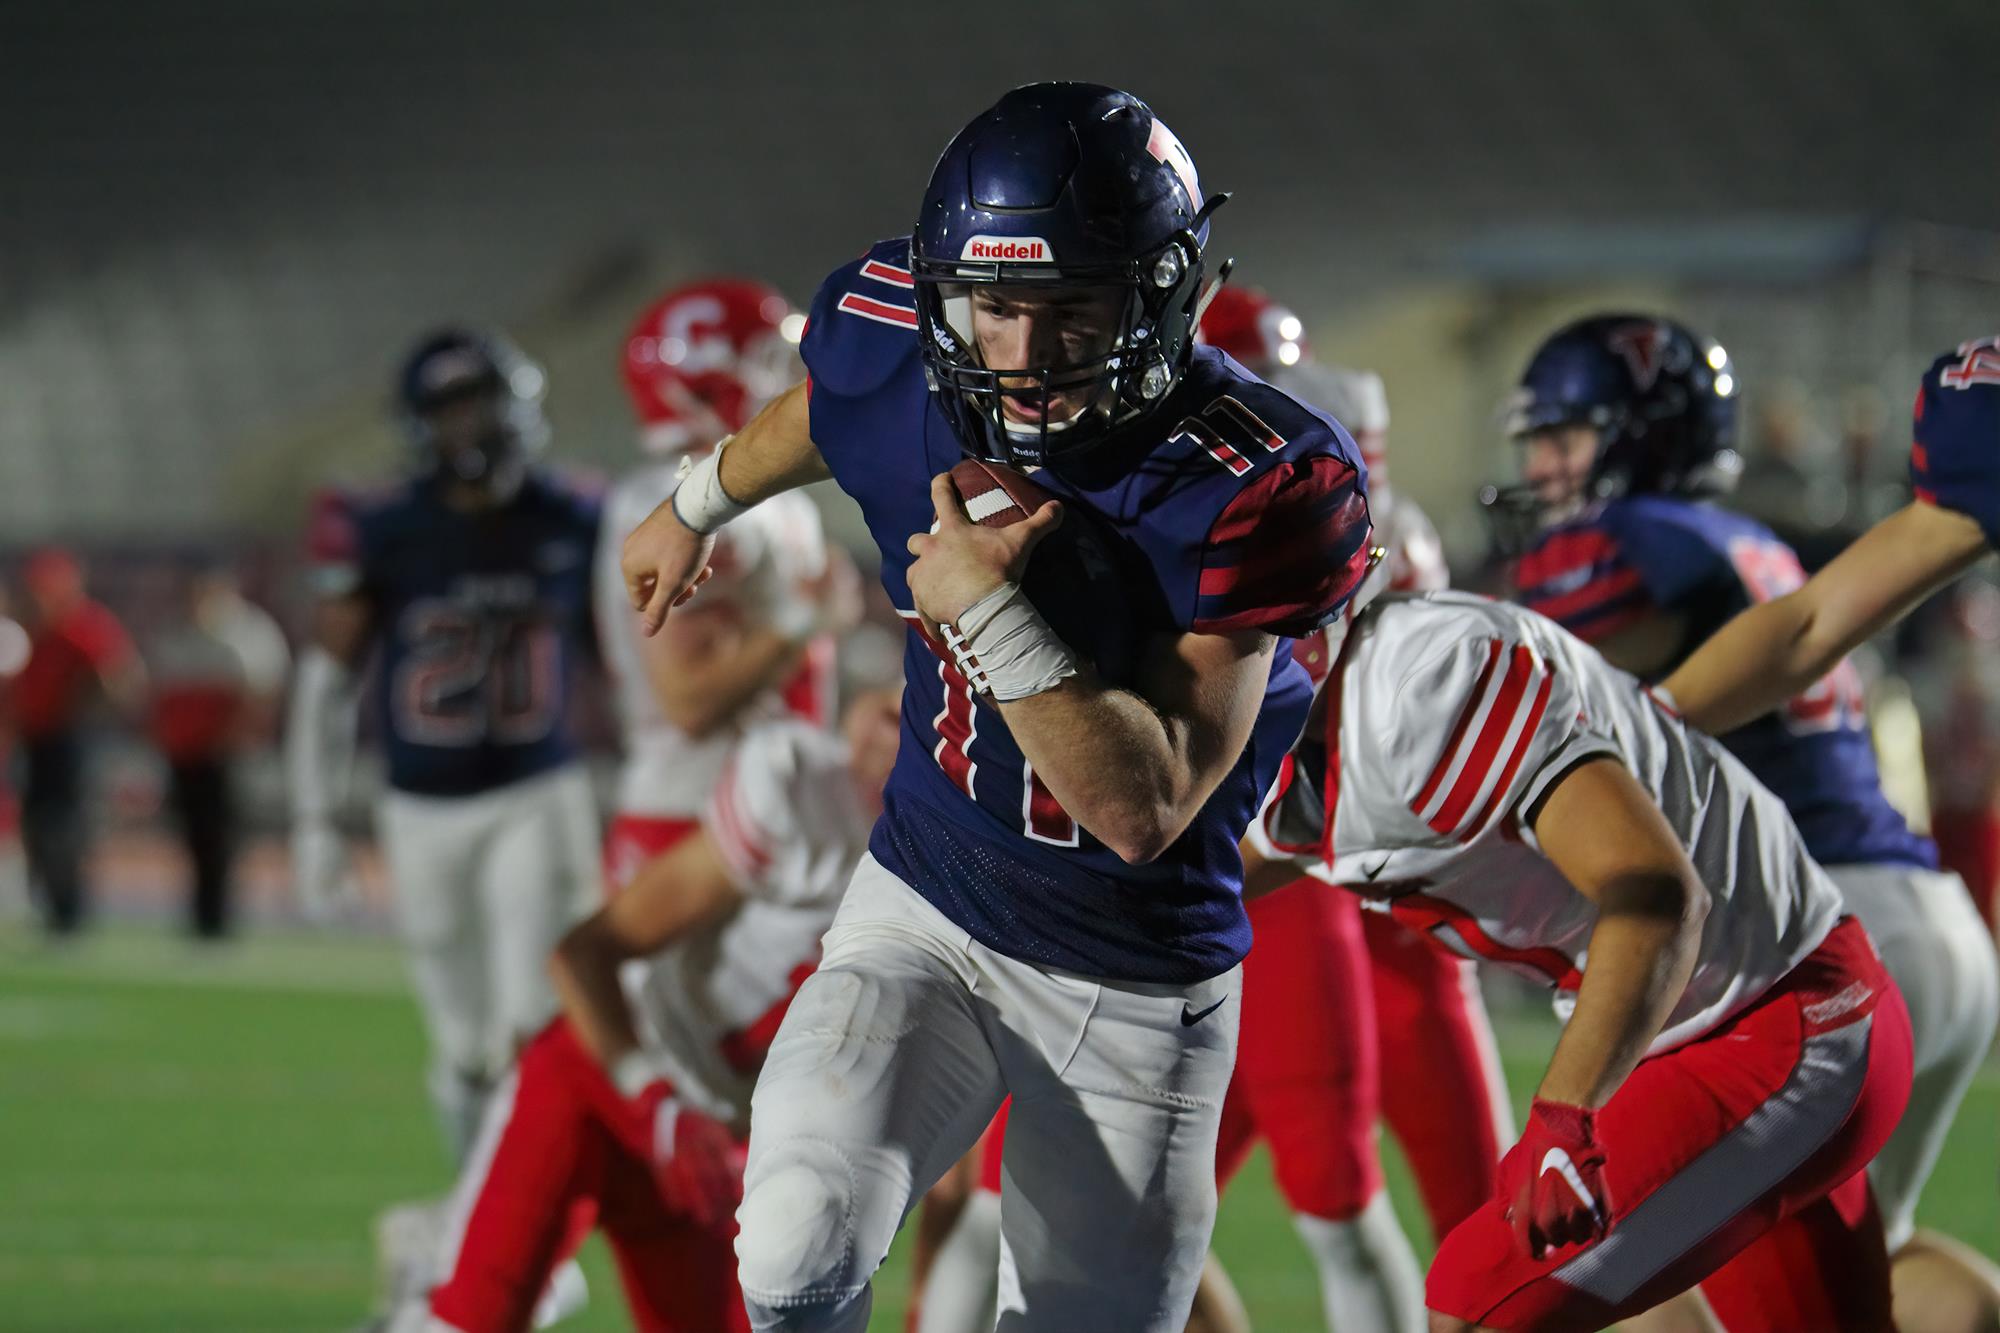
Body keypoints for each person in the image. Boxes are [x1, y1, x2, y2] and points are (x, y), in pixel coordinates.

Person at [620, 81, 1373, 1331]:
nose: (1021, 356)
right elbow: (829, 414)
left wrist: (984, 609)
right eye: (995, 308)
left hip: (1133, 974)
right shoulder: (900, 350)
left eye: (1070, 309)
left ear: (1159, 293)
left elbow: (1143, 805)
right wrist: (695, 502)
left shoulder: (1255, 476)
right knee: (797, 1245)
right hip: (928, 901)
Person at [1502, 315, 2000, 1332]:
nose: (1541, 466)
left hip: (1805, 947)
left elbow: (1531, 701)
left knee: (1616, 1273)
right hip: (1926, 925)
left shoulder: (1615, 544)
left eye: (1562, 437)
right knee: (1864, 1258)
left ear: (1632, 436)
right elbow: (1798, 634)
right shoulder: (1748, 542)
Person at [1248, 588, 1913, 1332]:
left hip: (1782, 1023)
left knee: (1477, 1302)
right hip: (1733, 1023)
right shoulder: (1325, 730)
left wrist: (1565, 1114)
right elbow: (1201, 871)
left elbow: (1657, 895)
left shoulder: (1421, 684)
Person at [380, 691, 902, 1333]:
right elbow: (584, 954)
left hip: (708, 1149)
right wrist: (650, 1100)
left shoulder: (963, 886)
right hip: (605, 1084)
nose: (892, 728)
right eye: (887, 705)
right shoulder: (801, 795)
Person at [287, 329, 604, 1161]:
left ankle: (527, 1255)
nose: (471, 428)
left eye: (483, 405)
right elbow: (326, 681)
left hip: (536, 791)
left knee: (528, 1025)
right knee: (462, 1045)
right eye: (451, 410)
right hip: (419, 805)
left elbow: (630, 661)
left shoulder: (576, 514)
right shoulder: (385, 525)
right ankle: (482, 1228)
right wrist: (315, 818)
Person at [595, 278, 850, 894]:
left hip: (758, 811)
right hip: (695, 817)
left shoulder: (757, 500)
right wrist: (805, 621)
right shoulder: (677, 500)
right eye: (765, 363)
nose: (785, 382)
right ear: (701, 386)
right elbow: (689, 701)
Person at [146, 561, 290, 938]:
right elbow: (163, 697)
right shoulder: (176, 634)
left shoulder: (248, 633)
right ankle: (200, 915)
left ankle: (220, 918)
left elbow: (263, 695)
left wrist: (237, 739)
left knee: (223, 835)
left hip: (226, 756)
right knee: (192, 834)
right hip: (185, 754)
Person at [12, 547, 144, 935]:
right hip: (35, 738)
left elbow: (119, 675)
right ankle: (48, 904)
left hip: (67, 739)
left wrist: (85, 707)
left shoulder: (84, 626)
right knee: (37, 823)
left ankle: (68, 911)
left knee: (63, 825)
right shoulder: (33, 629)